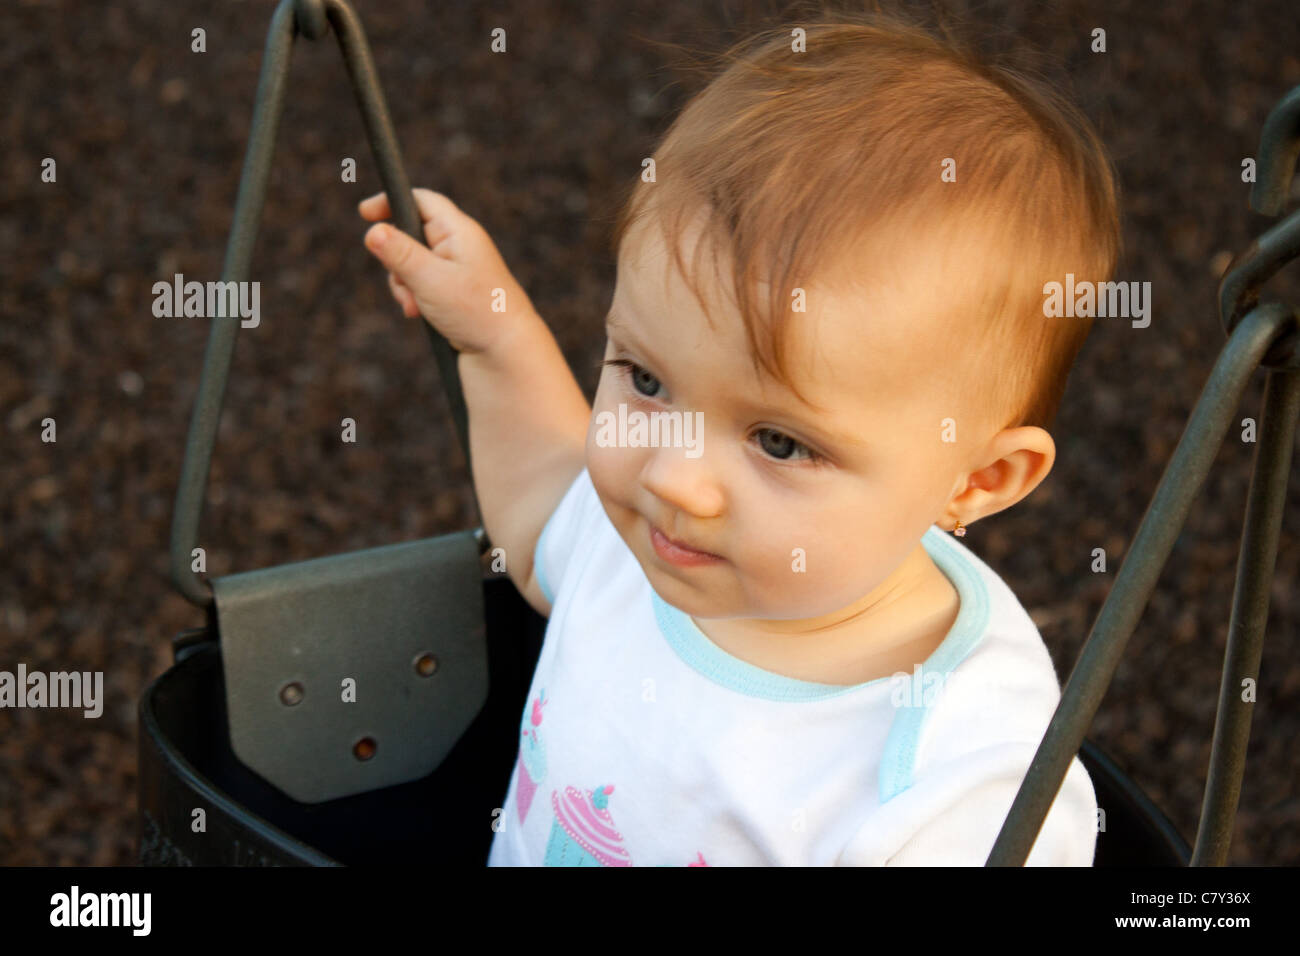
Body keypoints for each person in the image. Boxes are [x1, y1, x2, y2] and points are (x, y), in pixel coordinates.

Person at [358, 8, 1119, 866]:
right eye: (646, 381)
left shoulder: (961, 784)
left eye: (781, 444)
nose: (675, 479)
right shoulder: (649, 545)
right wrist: (497, 336)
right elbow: (539, 530)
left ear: (978, 481)